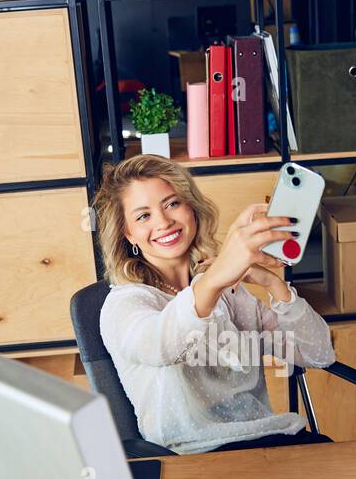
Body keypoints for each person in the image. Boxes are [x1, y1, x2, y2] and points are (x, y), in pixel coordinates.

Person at [94, 154, 335, 455]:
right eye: (143, 216)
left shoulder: (228, 293)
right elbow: (163, 344)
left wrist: (275, 286)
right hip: (193, 455)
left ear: (192, 208)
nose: (164, 222)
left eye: (172, 203)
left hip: (269, 438)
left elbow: (318, 353)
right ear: (126, 232)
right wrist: (217, 277)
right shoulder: (125, 304)